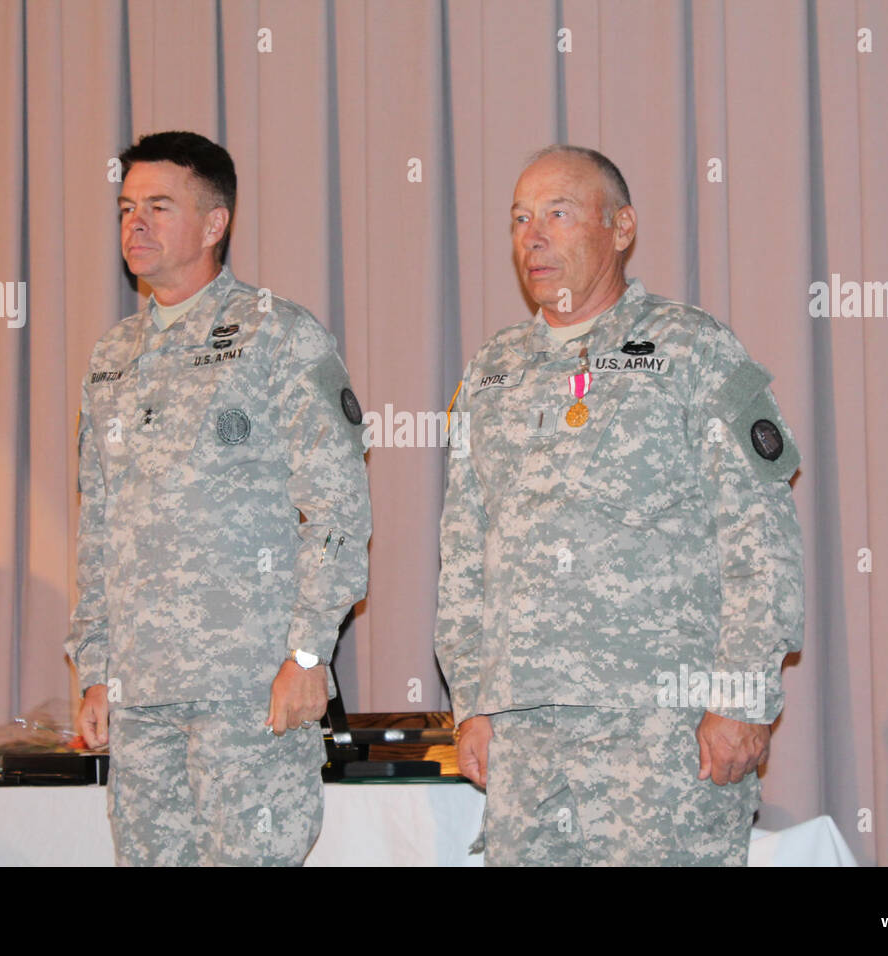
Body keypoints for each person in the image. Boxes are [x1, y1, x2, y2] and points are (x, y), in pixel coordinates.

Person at [435, 145, 804, 865]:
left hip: (661, 734)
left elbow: (760, 537)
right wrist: (471, 703)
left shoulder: (693, 350)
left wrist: (742, 700)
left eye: (558, 214)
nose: (532, 237)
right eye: (519, 219)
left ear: (621, 227)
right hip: (526, 737)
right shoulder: (493, 370)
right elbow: (463, 551)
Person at [65, 131, 371, 866]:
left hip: (248, 687)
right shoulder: (112, 357)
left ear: (213, 223)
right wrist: (96, 668)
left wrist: (307, 654)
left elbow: (338, 507)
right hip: (143, 695)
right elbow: (99, 527)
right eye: (126, 208)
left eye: (158, 207)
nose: (134, 224)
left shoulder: (279, 335)